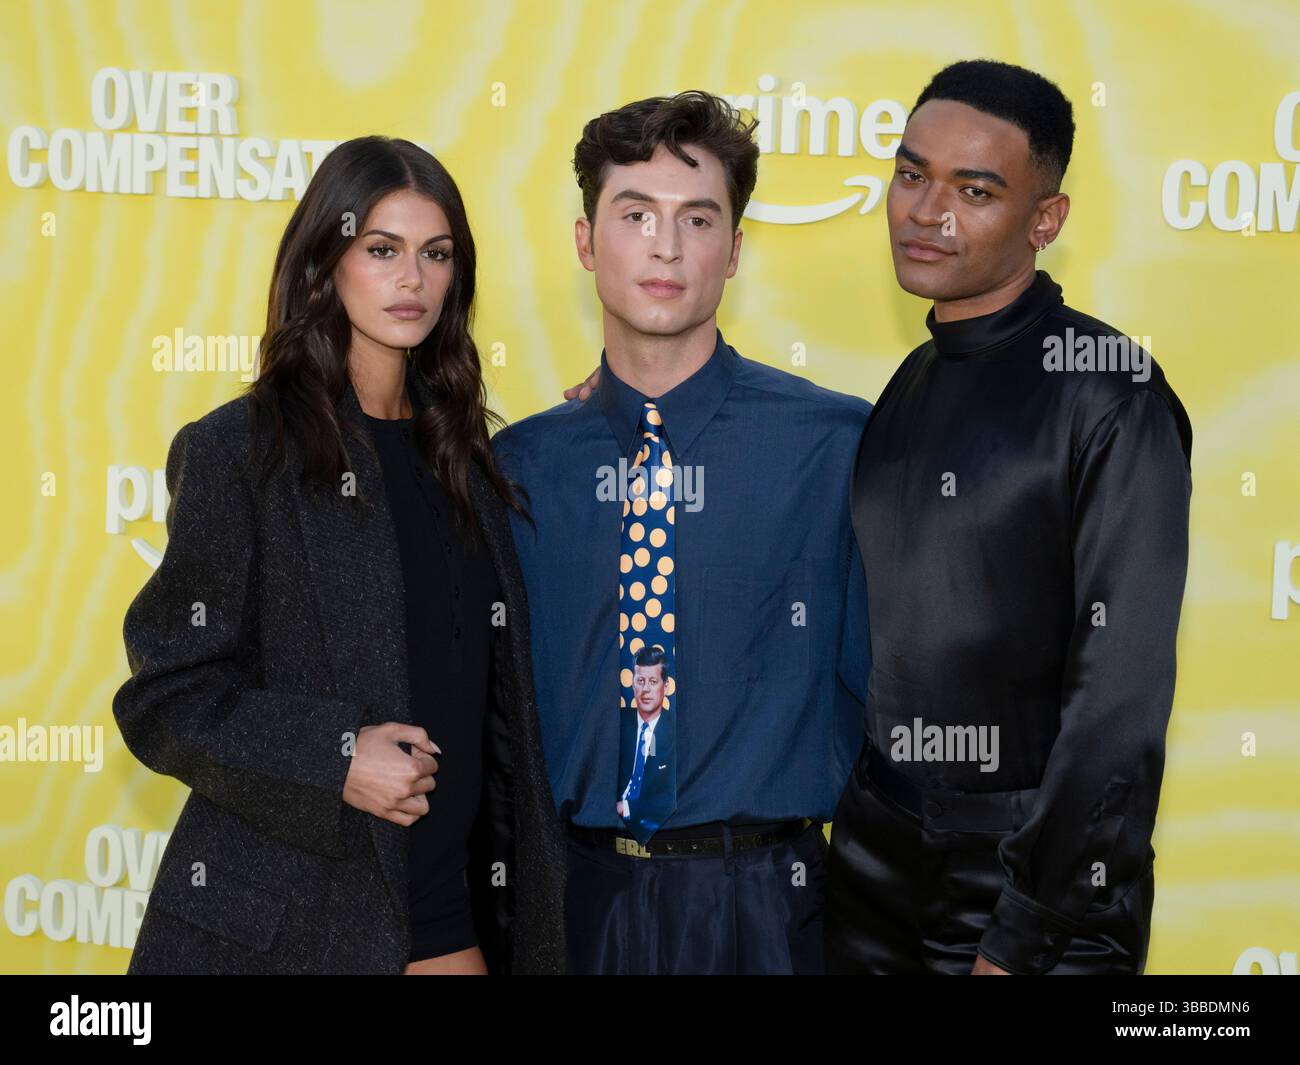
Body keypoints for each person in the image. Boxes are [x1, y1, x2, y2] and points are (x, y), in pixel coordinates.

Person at [112, 135, 566, 975]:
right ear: (326, 260)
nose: (413, 279)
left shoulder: (464, 455)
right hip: (295, 925)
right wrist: (335, 755)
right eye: (382, 250)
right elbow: (166, 697)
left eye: (436, 254)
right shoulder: (240, 453)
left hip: (455, 909)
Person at [826, 60, 1193, 975]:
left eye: (974, 189)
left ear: (1046, 219)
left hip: (1036, 890)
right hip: (875, 863)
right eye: (912, 174)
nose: (927, 211)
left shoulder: (1112, 393)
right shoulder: (910, 382)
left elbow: (1118, 706)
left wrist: (1025, 931)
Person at [493, 91, 871, 974]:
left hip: (771, 908)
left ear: (735, 251)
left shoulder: (836, 447)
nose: (666, 246)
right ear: (586, 242)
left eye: (697, 218)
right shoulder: (516, 469)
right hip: (572, 904)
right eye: (635, 215)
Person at [616, 647, 675, 836]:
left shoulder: (677, 728)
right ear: (632, 683)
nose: (646, 689)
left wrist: (627, 807)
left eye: (653, 681)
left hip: (663, 827)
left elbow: (666, 795)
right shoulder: (618, 722)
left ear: (665, 686)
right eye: (640, 681)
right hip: (608, 823)